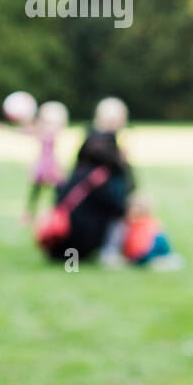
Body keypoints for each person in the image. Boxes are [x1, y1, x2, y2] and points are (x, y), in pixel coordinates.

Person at [44, 98, 134, 262]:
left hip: (64, 240)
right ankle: (110, 253)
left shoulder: (86, 155)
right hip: (80, 242)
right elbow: (118, 206)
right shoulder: (104, 171)